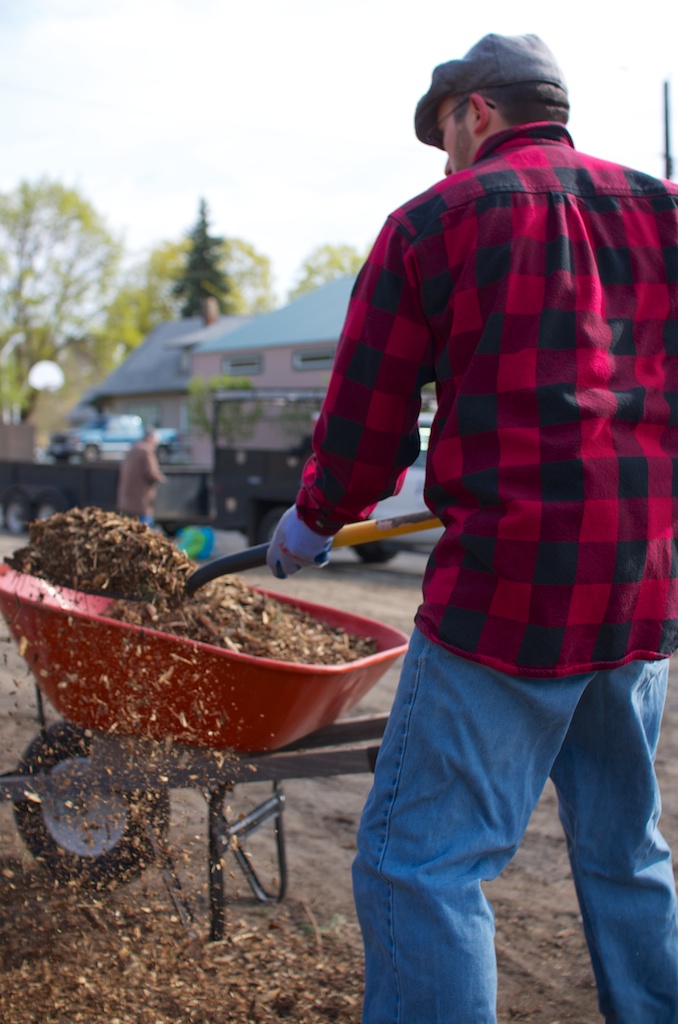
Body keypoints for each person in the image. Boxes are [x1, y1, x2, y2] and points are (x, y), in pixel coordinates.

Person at [266, 32, 678, 1024]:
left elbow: (367, 422)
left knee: (421, 864)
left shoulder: (434, 224)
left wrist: (312, 519)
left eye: (442, 130)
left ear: (476, 112)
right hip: (641, 589)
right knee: (629, 853)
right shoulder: (663, 214)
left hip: (509, 592)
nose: (441, 154)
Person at [116, 426, 166, 527]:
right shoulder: (146, 451)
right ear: (150, 438)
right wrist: (161, 478)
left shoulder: (133, 449)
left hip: (126, 500)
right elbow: (151, 473)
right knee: (144, 529)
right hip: (140, 501)